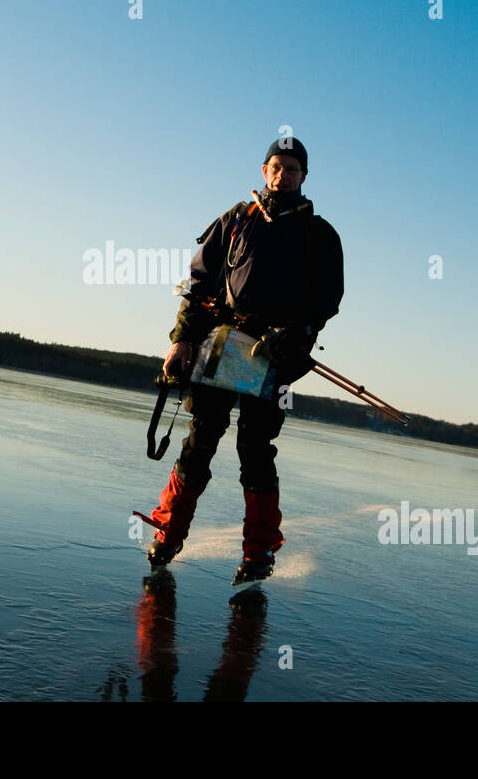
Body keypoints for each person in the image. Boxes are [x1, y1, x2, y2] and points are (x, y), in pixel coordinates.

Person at [146, 136, 344, 584]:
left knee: (255, 452)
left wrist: (296, 335)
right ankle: (168, 533)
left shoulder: (320, 235)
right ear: (264, 171)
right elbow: (197, 284)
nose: (283, 174)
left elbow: (326, 301)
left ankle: (258, 555)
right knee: (200, 441)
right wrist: (180, 340)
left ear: (304, 176)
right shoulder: (237, 219)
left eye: (292, 168)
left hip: (274, 357)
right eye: (276, 166)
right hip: (219, 347)